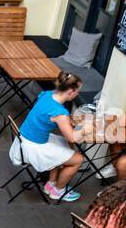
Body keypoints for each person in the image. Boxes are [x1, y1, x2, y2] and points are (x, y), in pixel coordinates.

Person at [11, 71, 86, 202]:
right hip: (33, 147)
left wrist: (66, 122)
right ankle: (58, 190)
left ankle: (51, 184)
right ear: (70, 92)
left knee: (62, 144)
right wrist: (87, 129)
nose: (77, 94)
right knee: (78, 159)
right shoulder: (60, 113)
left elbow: (44, 115)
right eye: (77, 91)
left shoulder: (46, 94)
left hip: (24, 137)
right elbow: (72, 138)